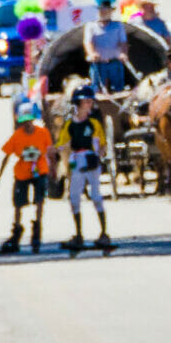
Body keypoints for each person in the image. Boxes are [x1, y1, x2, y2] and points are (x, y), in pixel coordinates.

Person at [49, 85, 112, 250]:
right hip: (77, 160)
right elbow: (62, 143)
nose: (90, 103)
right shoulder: (70, 125)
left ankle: (104, 234)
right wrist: (52, 150)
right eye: (86, 101)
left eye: (91, 101)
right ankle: (78, 235)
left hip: (91, 160)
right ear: (78, 103)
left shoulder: (94, 123)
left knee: (96, 196)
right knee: (74, 197)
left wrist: (98, 156)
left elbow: (103, 144)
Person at [0, 102, 51, 254]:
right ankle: (16, 231)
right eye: (24, 121)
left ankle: (37, 229)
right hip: (22, 173)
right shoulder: (17, 136)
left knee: (39, 201)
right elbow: (6, 156)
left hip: (40, 171)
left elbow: (50, 151)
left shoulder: (43, 133)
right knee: (18, 204)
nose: (27, 124)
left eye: (30, 121)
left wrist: (53, 171)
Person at [84, 0, 129, 93]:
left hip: (114, 63)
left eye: (106, 10)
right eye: (101, 10)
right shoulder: (91, 26)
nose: (103, 12)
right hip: (98, 63)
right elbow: (88, 42)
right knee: (96, 89)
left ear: (111, 12)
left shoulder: (118, 25)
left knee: (118, 89)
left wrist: (123, 53)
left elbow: (123, 42)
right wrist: (92, 53)